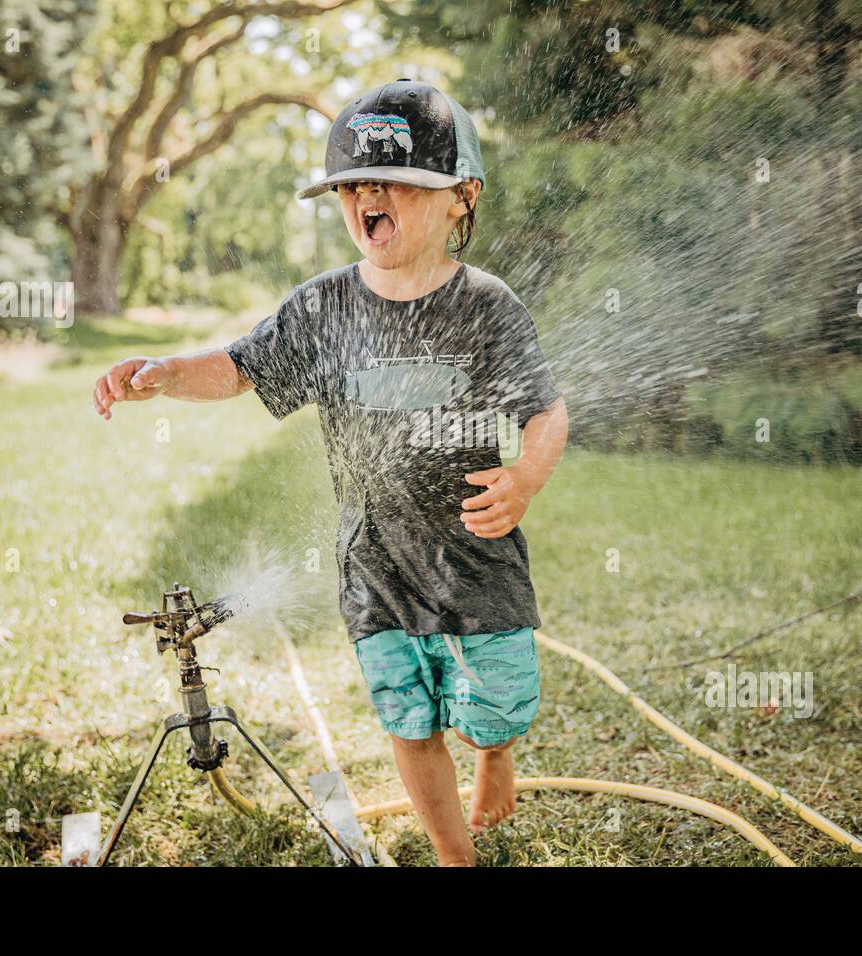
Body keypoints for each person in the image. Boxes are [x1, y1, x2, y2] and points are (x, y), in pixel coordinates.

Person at [93, 79, 568, 866]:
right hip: (373, 562)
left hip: (477, 556)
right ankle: (456, 858)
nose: (367, 198)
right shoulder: (324, 309)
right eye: (352, 185)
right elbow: (241, 367)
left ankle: (495, 751)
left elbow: (547, 412)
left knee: (499, 701)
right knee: (407, 721)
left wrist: (525, 479)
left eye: (393, 183)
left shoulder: (487, 307)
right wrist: (169, 371)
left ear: (460, 197)